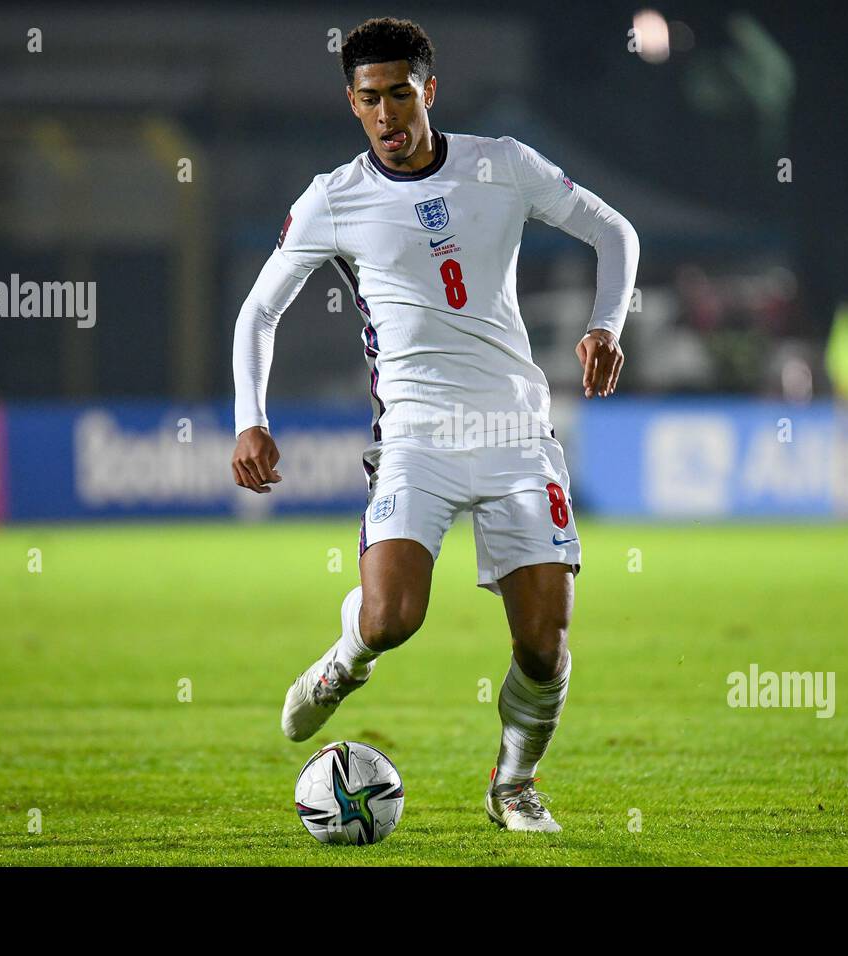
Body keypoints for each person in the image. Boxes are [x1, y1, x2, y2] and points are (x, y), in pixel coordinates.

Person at [231, 17, 638, 832]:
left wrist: (606, 325)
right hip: (416, 433)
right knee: (392, 619)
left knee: (542, 645)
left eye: (400, 94)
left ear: (430, 90)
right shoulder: (331, 199)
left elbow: (614, 231)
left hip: (518, 434)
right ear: (352, 103)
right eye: (370, 98)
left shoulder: (505, 165)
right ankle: (343, 663)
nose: (387, 114)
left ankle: (513, 785)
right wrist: (251, 419)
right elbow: (259, 313)